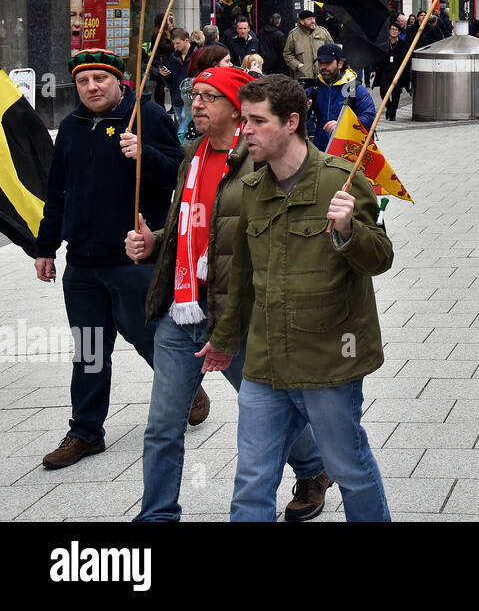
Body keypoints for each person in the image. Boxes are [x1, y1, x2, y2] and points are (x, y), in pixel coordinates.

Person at [125, 67, 332, 522]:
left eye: (209, 97)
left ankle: (314, 467)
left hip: (239, 314)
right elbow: (195, 225)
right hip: (181, 309)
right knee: (162, 425)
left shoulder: (260, 159)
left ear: (237, 107)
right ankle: (157, 514)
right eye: (194, 95)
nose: (197, 104)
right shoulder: (191, 154)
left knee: (271, 409)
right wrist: (156, 241)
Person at [200, 75, 394, 521]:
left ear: (291, 122)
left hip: (328, 359)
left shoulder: (341, 181)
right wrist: (224, 339)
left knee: (350, 469)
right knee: (251, 479)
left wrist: (349, 230)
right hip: (266, 362)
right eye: (244, 120)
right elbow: (242, 277)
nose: (244, 129)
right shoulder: (250, 190)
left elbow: (380, 258)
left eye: (256, 120)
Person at [33, 49, 184, 469]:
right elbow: (57, 192)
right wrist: (46, 248)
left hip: (132, 257)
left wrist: (144, 155)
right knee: (90, 349)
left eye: (100, 78)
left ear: (120, 81)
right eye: (83, 81)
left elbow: (178, 174)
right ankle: (85, 431)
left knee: (147, 336)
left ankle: (187, 389)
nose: (91, 87)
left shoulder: (147, 117)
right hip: (81, 260)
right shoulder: (70, 127)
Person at [310, 44, 377, 152]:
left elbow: (369, 116)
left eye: (328, 63)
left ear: (340, 63)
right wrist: (304, 107)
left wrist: (343, 125)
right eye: (320, 63)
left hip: (348, 150)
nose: (323, 67)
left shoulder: (352, 87)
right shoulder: (316, 87)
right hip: (322, 150)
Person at [283, 8, 334, 83]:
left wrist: (327, 65)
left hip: (323, 75)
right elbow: (287, 54)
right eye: (309, 19)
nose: (313, 21)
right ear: (302, 21)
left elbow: (332, 50)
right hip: (303, 77)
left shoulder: (323, 32)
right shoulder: (294, 35)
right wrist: (298, 65)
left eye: (314, 18)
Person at [375, 23, 411, 121]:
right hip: (385, 71)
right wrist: (375, 70)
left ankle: (393, 112)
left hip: (397, 71)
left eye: (396, 29)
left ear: (399, 32)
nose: (393, 31)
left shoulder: (403, 45)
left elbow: (407, 60)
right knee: (383, 92)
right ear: (389, 31)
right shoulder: (385, 44)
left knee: (395, 93)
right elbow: (378, 57)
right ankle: (389, 108)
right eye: (392, 29)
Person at [164, 26, 196, 124]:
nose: (175, 46)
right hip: (176, 97)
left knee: (183, 128)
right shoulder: (173, 56)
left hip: (190, 98)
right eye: (174, 43)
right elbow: (170, 78)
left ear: (186, 41)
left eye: (178, 43)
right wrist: (165, 75)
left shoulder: (197, 55)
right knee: (182, 125)